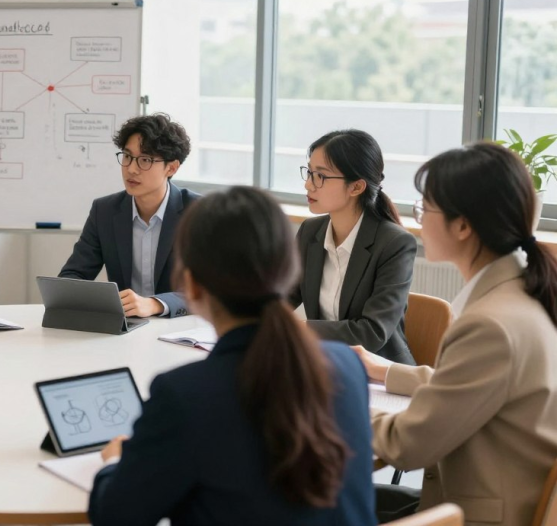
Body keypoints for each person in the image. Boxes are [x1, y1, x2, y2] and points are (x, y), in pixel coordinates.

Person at [89, 187, 375, 526]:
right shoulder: (346, 366)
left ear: (191, 286)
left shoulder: (184, 395)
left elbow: (115, 516)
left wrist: (115, 462)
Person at [353, 143, 557, 525]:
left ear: (462, 225)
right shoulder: (522, 294)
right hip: (495, 497)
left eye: (424, 209)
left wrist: (338, 408)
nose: (417, 221)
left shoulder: (490, 325)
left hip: (477, 514)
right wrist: (389, 371)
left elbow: (407, 444)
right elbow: (476, 385)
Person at [290, 129, 417, 364]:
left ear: (356, 187)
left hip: (380, 373)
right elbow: (284, 296)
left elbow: (371, 333)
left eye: (321, 176)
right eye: (309, 172)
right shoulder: (310, 231)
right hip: (324, 362)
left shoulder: (395, 244)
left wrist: (298, 329)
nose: (308, 184)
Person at [60, 113, 198, 318]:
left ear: (171, 167)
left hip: (179, 329)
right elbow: (73, 276)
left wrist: (155, 304)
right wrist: (100, 300)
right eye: (127, 156)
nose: (131, 169)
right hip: (125, 330)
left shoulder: (198, 212)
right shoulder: (105, 211)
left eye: (145, 160)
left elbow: (210, 289)